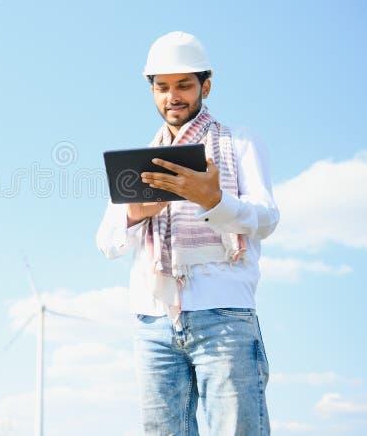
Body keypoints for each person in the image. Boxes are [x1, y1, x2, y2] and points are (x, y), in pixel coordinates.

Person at [96, 31, 280, 435]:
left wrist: (215, 201)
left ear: (205, 86)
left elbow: (266, 219)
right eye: (162, 87)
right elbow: (107, 242)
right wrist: (136, 214)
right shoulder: (142, 158)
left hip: (225, 315)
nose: (172, 97)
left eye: (183, 85)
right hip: (153, 322)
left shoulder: (239, 143)